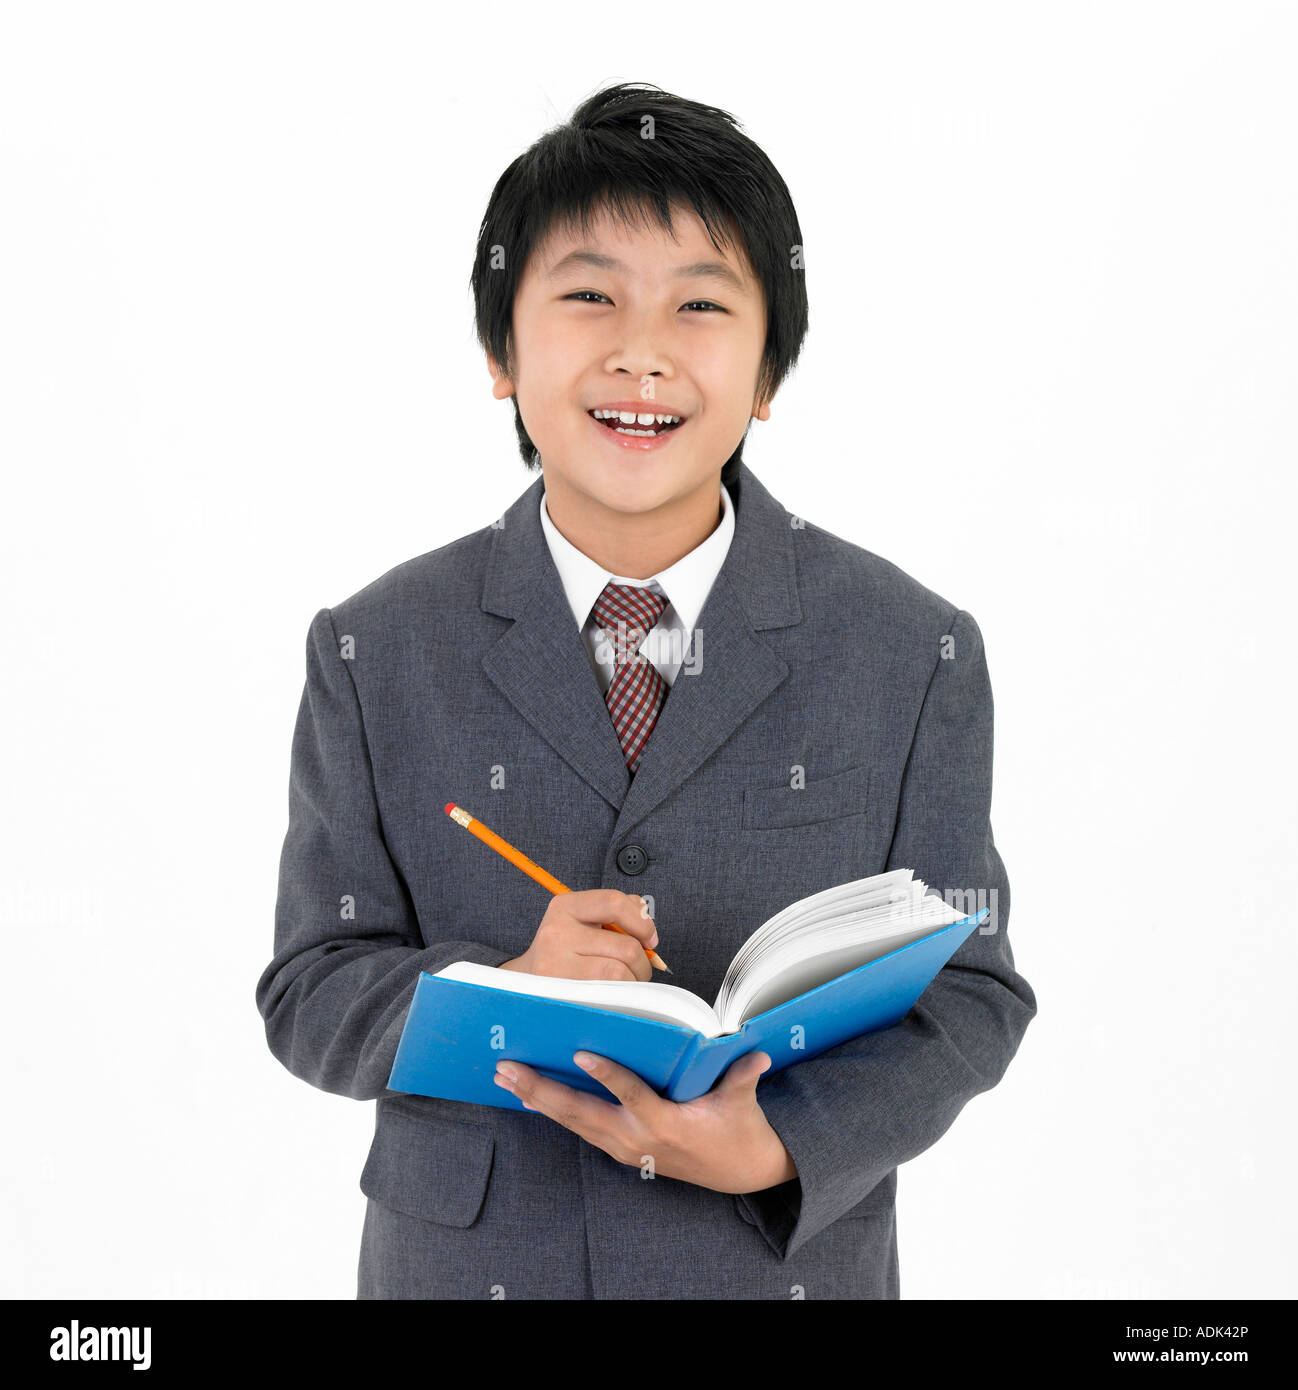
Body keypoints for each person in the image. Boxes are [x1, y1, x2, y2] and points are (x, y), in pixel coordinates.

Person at [255, 81, 1037, 1300]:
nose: (641, 349)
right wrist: (503, 986)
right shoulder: (372, 647)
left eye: (700, 305)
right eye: (586, 294)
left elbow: (973, 985)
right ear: (500, 350)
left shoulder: (908, 648)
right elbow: (310, 990)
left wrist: (781, 1143)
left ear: (767, 369)